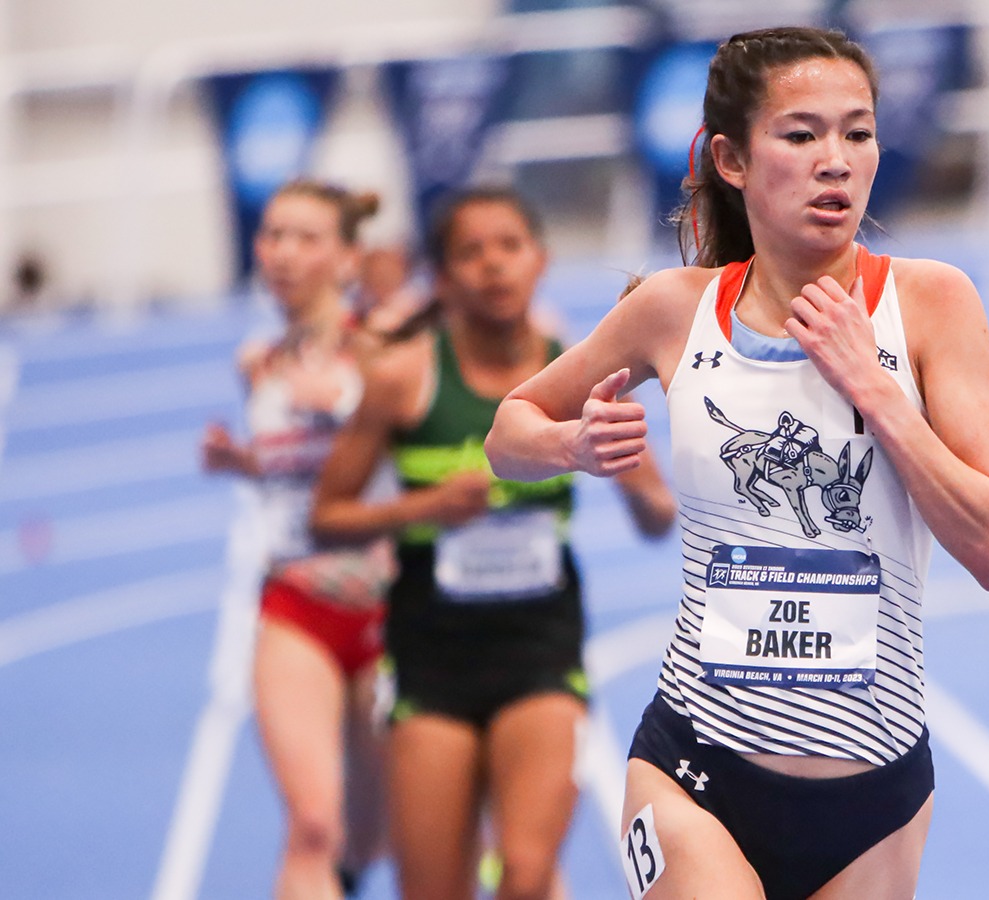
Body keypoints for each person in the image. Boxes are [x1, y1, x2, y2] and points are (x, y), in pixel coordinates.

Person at [484, 26, 989, 900]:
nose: (837, 162)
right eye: (802, 134)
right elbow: (507, 430)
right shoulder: (673, 311)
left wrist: (879, 395)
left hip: (874, 797)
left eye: (858, 132)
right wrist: (569, 445)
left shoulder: (930, 305)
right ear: (732, 160)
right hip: (697, 772)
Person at [310, 186, 676, 900]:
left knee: (527, 875)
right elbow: (326, 517)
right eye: (471, 253)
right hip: (430, 663)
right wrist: (427, 506)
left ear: (540, 260)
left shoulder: (579, 376)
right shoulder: (403, 379)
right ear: (442, 279)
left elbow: (659, 519)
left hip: (540, 654)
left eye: (509, 247)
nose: (494, 266)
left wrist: (629, 475)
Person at [199, 179, 392, 899]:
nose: (281, 253)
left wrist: (349, 406)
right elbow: (300, 475)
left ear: (347, 258)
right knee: (313, 822)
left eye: (305, 238)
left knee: (375, 833)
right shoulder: (258, 363)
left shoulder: (379, 352)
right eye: (272, 235)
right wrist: (243, 463)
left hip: (389, 609)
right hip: (296, 606)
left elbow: (417, 459)